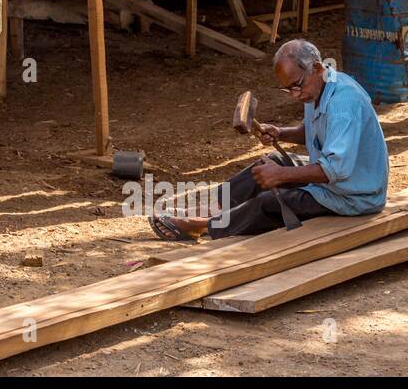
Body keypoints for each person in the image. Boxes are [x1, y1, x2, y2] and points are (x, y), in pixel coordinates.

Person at [150, 39, 388, 241]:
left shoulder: (344, 103)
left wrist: (281, 176)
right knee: (267, 163)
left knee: (271, 201)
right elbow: (313, 134)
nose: (295, 95)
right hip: (331, 182)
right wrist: (281, 133)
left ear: (316, 68)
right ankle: (211, 209)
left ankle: (201, 226)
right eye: (288, 90)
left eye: (297, 86)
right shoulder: (317, 88)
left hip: (353, 196)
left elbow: (335, 169)